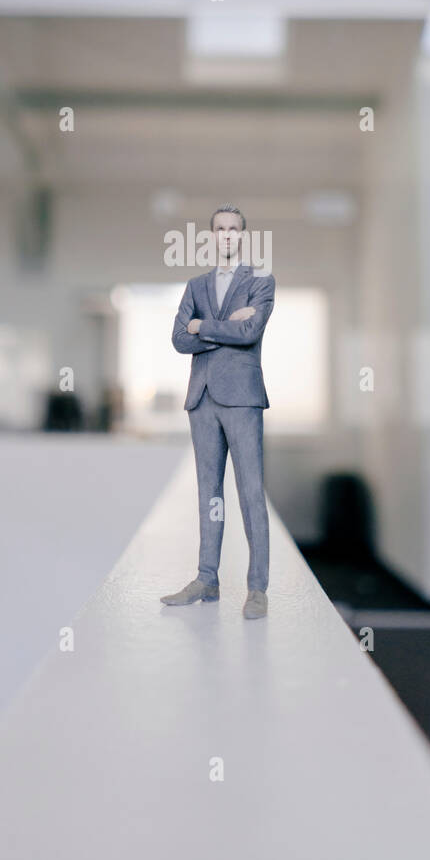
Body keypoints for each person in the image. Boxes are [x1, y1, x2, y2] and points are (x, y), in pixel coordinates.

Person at [161, 205, 275, 619]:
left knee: (249, 493)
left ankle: (257, 588)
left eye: (233, 229)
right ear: (211, 237)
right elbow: (177, 338)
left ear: (243, 236)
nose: (226, 235)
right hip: (201, 399)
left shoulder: (261, 280)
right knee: (209, 494)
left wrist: (201, 326)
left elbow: (251, 332)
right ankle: (207, 579)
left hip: (242, 398)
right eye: (219, 230)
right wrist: (213, 327)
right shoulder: (195, 285)